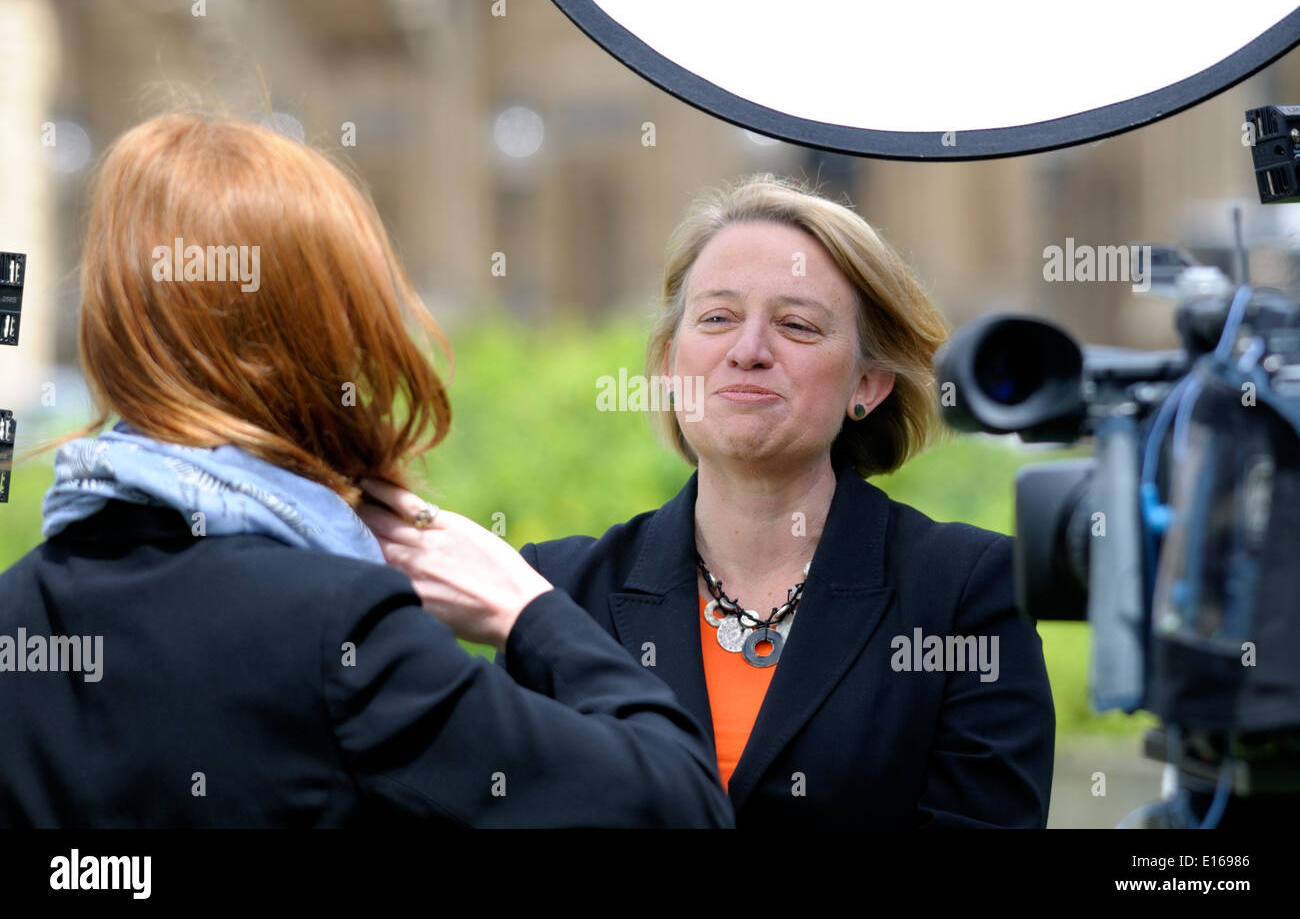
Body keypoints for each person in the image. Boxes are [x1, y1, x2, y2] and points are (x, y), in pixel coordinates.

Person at [0, 112, 733, 828]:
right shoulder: (336, 632)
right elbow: (676, 802)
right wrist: (527, 608)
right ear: (314, 338)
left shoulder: (19, 612)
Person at [366, 174, 1056, 827]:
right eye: (718, 317)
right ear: (670, 364)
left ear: (868, 384)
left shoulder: (967, 592)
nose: (749, 350)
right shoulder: (558, 590)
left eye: (799, 326)